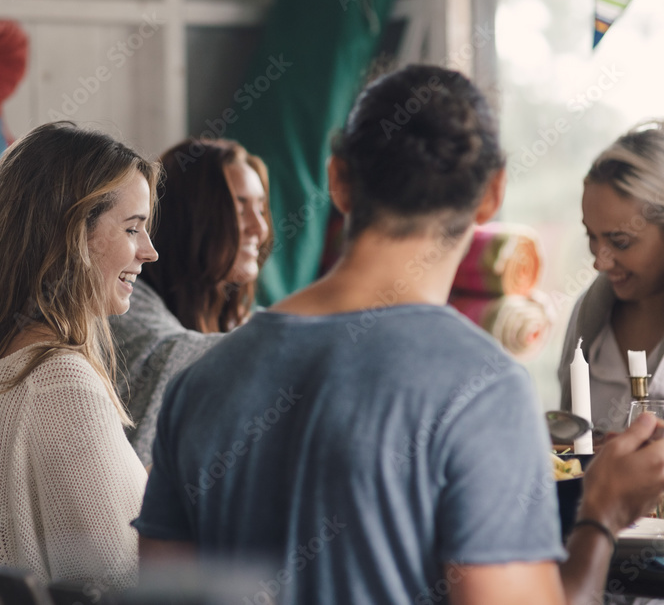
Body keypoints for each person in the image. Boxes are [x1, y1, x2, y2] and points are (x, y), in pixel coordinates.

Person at [134, 65, 664, 604]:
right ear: (492, 193)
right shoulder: (481, 386)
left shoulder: (200, 382)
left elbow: (163, 596)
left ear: (337, 180)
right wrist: (601, 516)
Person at [0, 122, 159, 589]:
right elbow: (124, 588)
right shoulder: (59, 385)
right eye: (133, 229)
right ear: (71, 236)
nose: (149, 252)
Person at [110, 138, 273, 464]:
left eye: (261, 207)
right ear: (190, 217)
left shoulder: (234, 316)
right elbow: (177, 352)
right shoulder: (123, 301)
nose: (261, 227)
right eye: (240, 209)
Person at [559, 121, 664, 437]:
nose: (598, 262)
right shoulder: (589, 316)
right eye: (592, 236)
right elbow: (567, 442)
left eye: (620, 241)